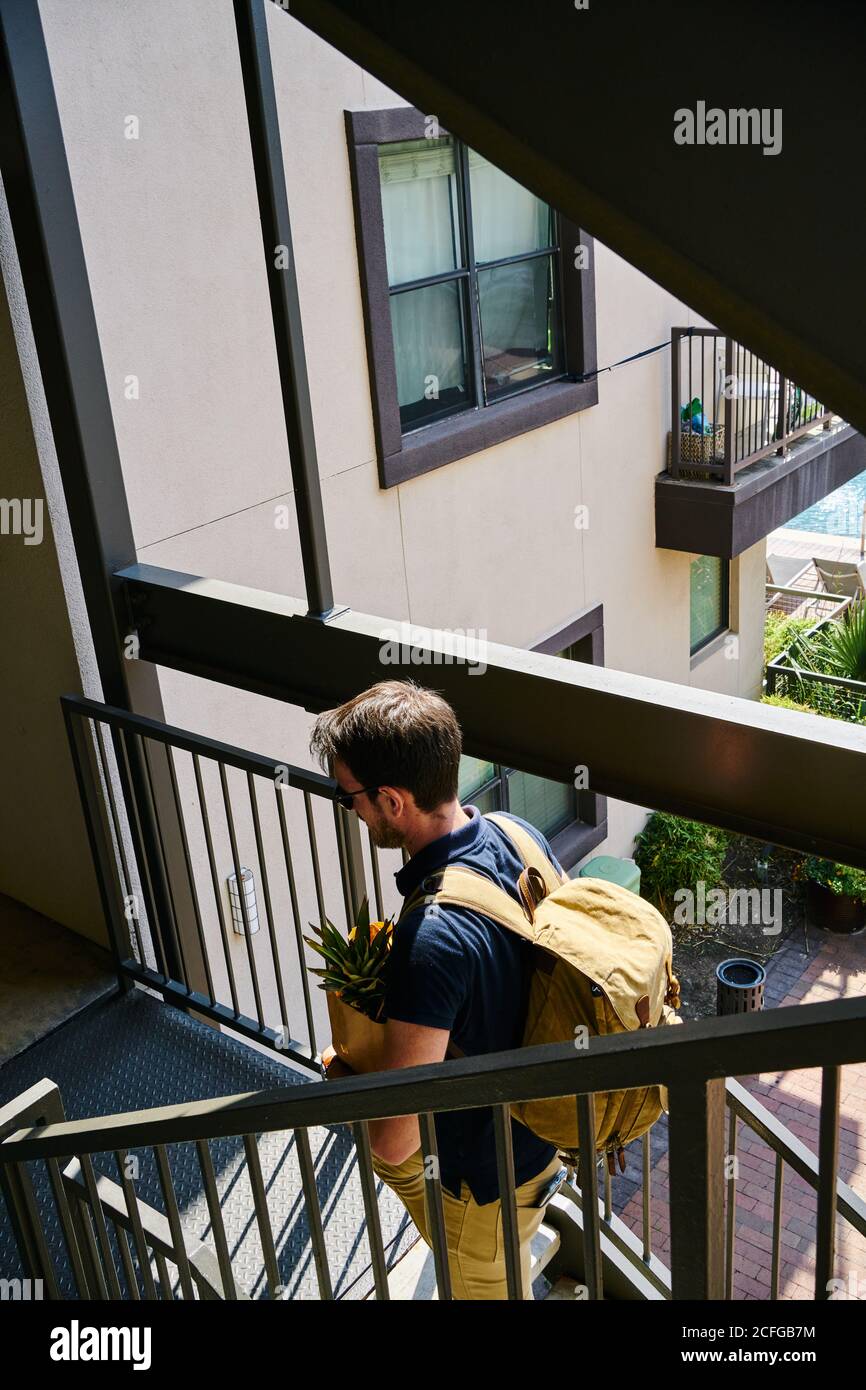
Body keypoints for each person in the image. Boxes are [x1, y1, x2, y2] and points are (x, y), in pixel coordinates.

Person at [309, 678, 566, 1300]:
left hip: (484, 1187)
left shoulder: (434, 937)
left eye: (351, 800)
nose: (353, 811)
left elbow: (396, 1141)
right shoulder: (515, 832)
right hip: (546, 1134)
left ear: (392, 800)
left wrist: (351, 1087)